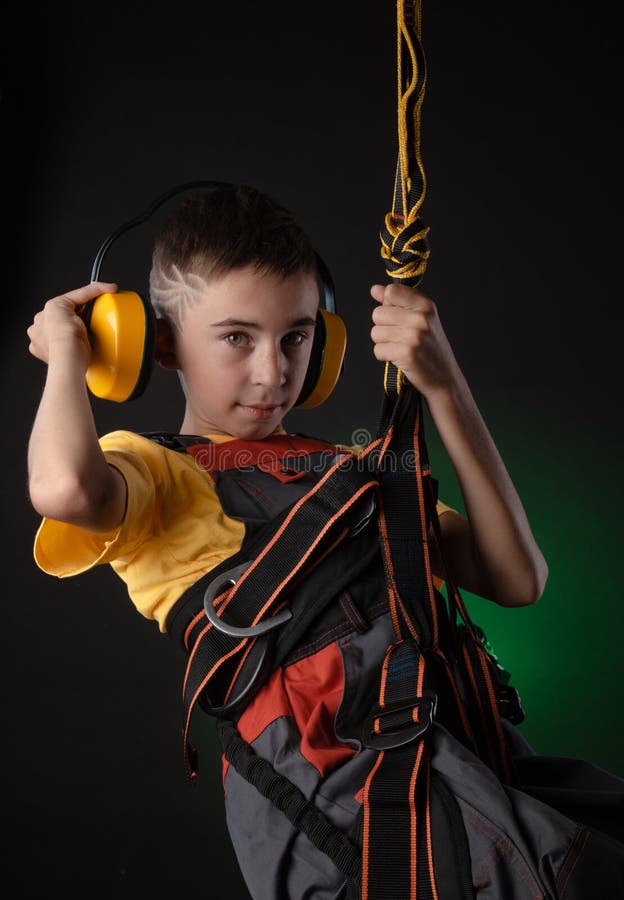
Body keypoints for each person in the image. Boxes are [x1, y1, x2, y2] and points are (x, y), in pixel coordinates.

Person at [26, 183, 550, 896]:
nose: (273, 372)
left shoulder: (348, 472)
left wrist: (444, 387)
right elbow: (63, 491)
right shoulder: (154, 473)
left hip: (462, 769)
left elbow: (515, 578)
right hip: (336, 814)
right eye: (237, 337)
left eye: (296, 336)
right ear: (161, 344)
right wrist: (67, 357)